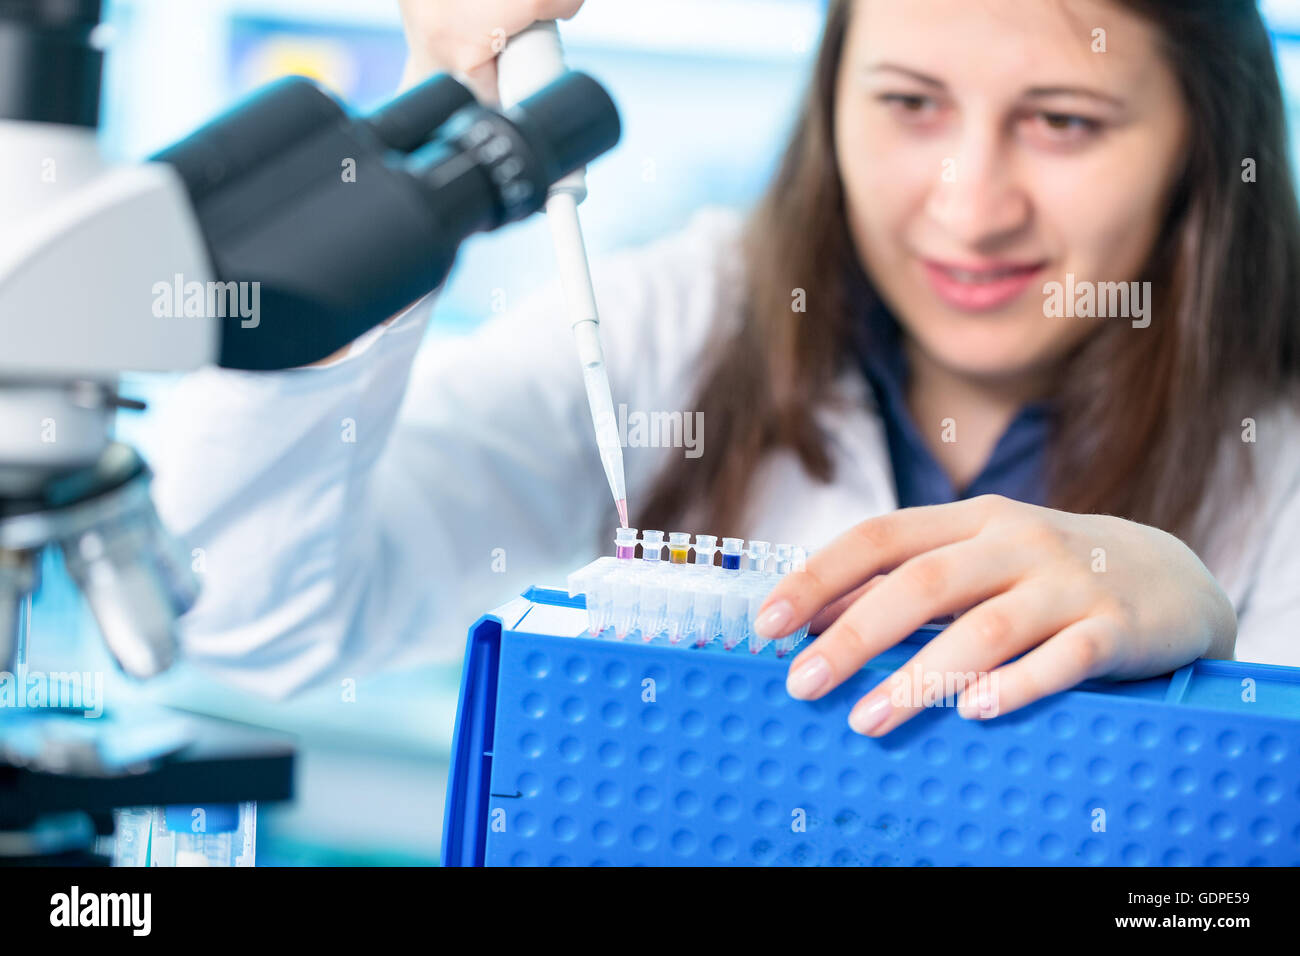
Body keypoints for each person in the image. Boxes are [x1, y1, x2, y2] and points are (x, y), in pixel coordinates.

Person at [150, 0, 1300, 738]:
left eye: (1062, 121)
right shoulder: (686, 320)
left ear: (1204, 145)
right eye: (909, 104)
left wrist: (1223, 672)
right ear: (831, 103)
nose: (969, 205)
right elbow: (249, 613)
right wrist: (394, 195)